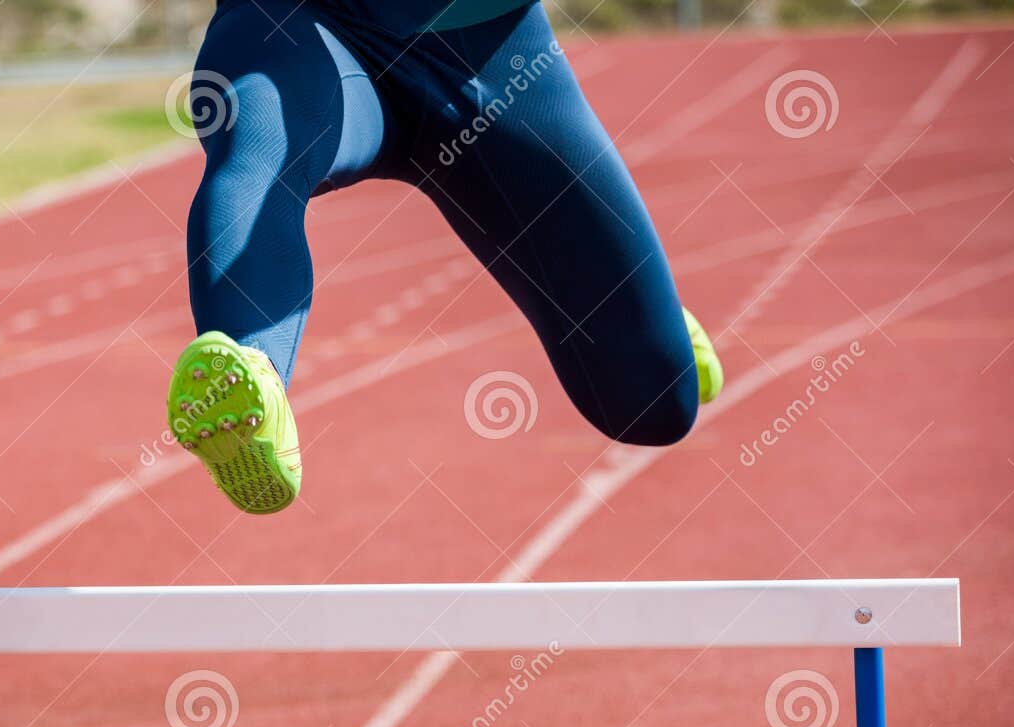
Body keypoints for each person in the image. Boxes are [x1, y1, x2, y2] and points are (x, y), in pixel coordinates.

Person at [167, 0, 723, 515]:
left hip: (492, 55)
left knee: (653, 403)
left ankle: (651, 314)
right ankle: (246, 379)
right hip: (294, 27)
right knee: (259, 149)